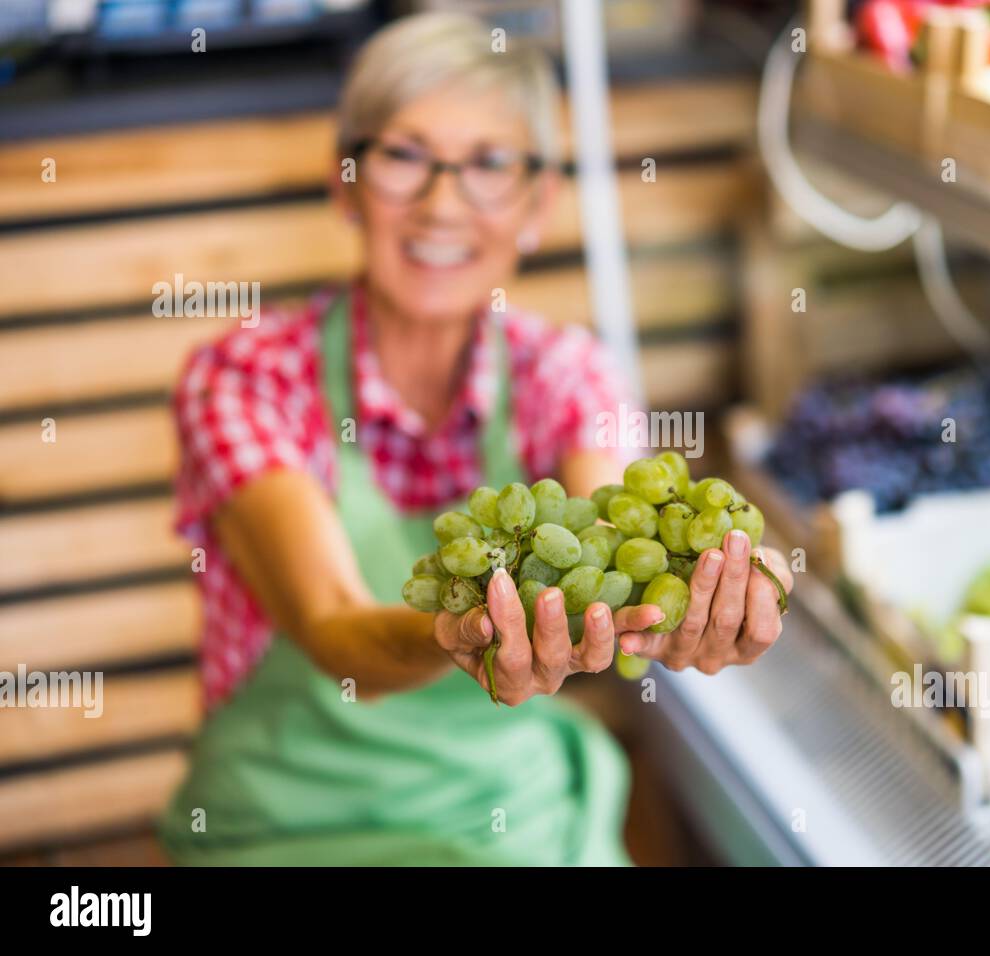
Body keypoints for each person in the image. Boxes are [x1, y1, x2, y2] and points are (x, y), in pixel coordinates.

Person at [157, 12, 792, 867]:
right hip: (289, 827)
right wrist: (454, 633)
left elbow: (613, 517)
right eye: (404, 156)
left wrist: (717, 595)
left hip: (510, 817)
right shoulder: (247, 379)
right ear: (346, 183)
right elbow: (334, 627)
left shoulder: (562, 374)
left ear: (538, 206)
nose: (442, 202)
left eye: (490, 164)